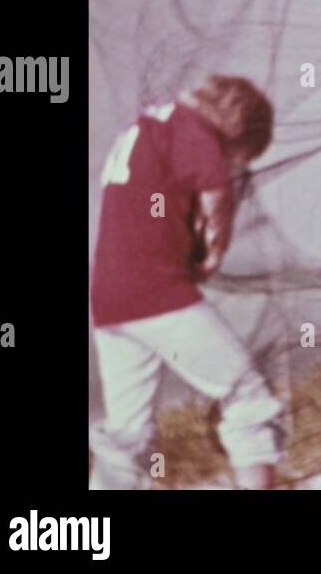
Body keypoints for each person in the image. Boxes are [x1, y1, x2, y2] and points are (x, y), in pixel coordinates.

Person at [89, 75, 283, 489]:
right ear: (236, 128)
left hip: (109, 301)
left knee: (128, 435)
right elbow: (216, 194)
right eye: (236, 158)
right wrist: (214, 251)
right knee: (248, 396)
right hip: (158, 294)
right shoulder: (194, 130)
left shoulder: (148, 125)